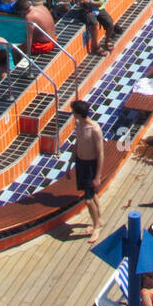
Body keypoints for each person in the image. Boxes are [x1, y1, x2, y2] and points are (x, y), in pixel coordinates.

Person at [70, 99, 104, 244]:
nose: (72, 114)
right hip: (80, 163)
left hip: (91, 166)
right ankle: (99, 219)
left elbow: (101, 153)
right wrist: (69, 165)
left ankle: (96, 227)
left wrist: (98, 176)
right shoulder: (79, 125)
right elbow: (77, 144)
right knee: (91, 194)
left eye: (73, 112)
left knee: (88, 200)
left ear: (78, 113)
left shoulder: (94, 129)